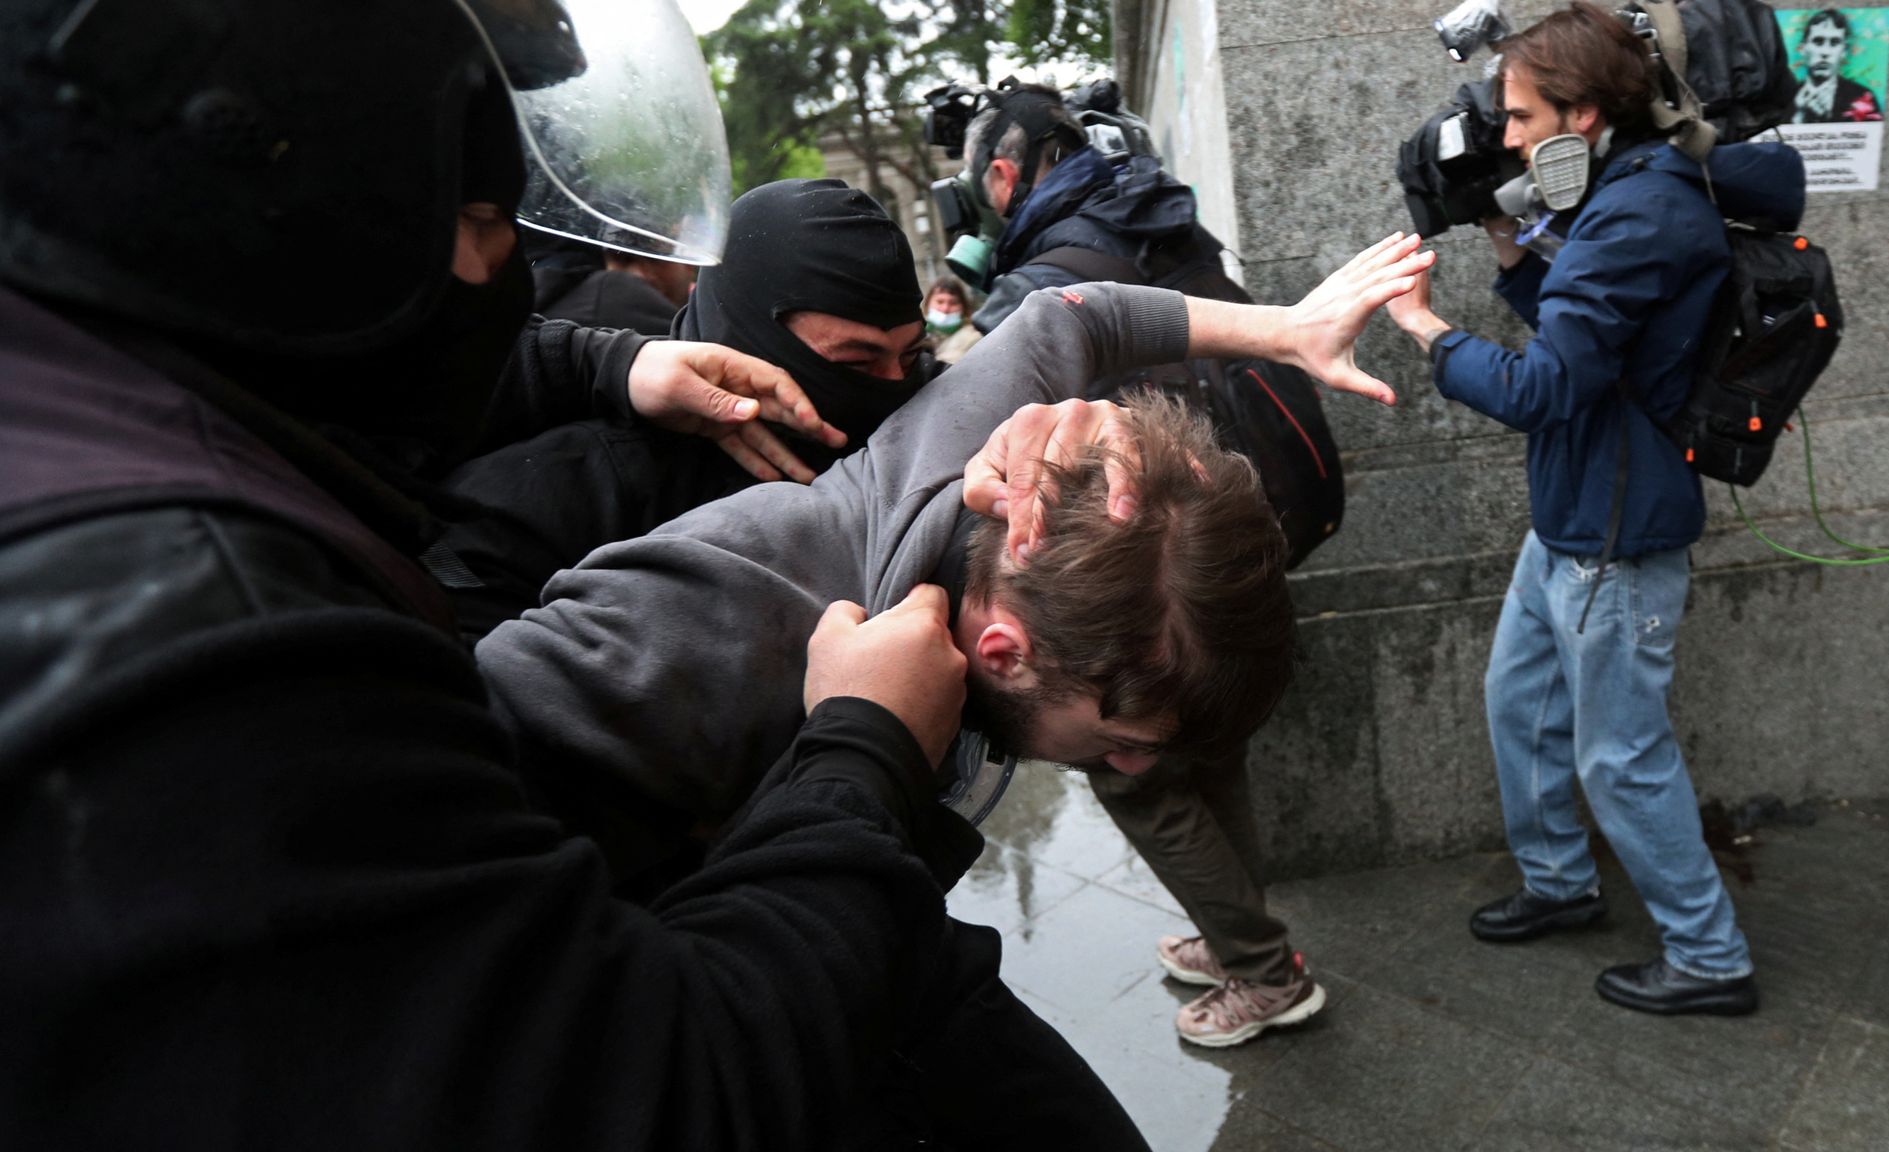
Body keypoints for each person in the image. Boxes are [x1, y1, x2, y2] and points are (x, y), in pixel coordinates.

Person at [0, 1, 1087, 1146]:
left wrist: (613, 366)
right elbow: (649, 1092)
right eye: (472, 216)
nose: (500, 262)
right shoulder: (210, 648)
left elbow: (335, 376)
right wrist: (862, 747)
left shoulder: (91, 387)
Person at [475, 234, 1430, 894]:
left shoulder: (993, 451)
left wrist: (1287, 331)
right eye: (1128, 736)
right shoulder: (710, 619)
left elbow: (1077, 315)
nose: (1139, 764)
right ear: (1005, 653)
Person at [1385, 0, 1807, 1016]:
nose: (1508, 137)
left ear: (1580, 117)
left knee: (1619, 758)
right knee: (1517, 705)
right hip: (1572, 516)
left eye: (1522, 118)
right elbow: (1591, 337)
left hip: (1614, 537)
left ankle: (1708, 959)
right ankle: (1560, 884)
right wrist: (1505, 243)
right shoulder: (1623, 191)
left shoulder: (1637, 211)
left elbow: (1545, 389)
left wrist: (1423, 330)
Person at [950, 81, 1327, 1046]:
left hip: (1132, 581)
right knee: (1205, 740)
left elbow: (957, 407)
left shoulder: (1054, 263)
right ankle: (1241, 934)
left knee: (1137, 770)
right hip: (1226, 538)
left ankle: (1261, 970)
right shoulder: (1149, 212)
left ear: (1002, 173)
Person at [434, 178, 929, 642]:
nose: (892, 386)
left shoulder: (929, 414)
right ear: (752, 334)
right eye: (856, 361)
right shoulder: (579, 480)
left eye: (909, 355)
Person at [527, 228, 694, 335]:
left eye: (657, 258)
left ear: (688, 262)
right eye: (622, 259)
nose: (640, 274)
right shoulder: (611, 291)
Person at [1791, 8, 1882, 124]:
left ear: (1844, 51)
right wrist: (1800, 115)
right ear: (1803, 48)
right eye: (1818, 41)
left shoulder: (1862, 97)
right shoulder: (1784, 97)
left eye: (1834, 43)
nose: (1825, 52)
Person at [924, 274, 981, 363]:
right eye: (940, 302)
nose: (945, 309)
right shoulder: (919, 335)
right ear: (927, 304)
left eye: (953, 303)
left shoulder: (972, 339)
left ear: (963, 308)